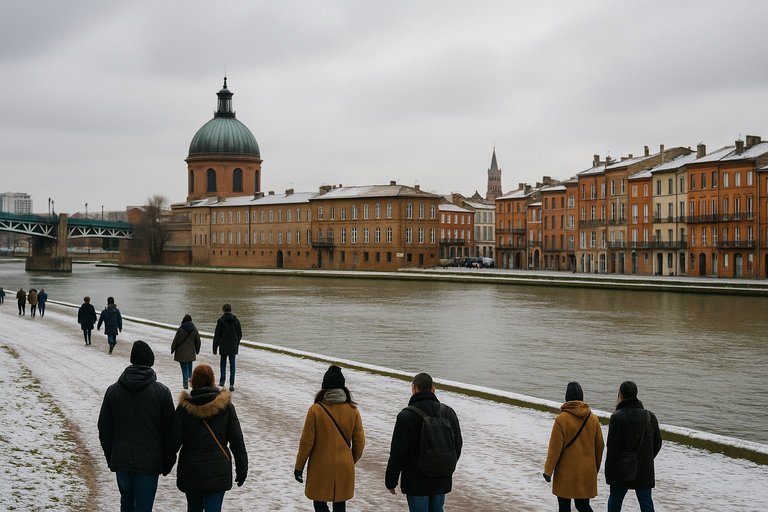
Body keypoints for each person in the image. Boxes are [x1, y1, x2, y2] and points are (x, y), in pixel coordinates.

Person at [98, 340, 176, 512]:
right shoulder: (162, 392)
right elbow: (170, 431)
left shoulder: (113, 391)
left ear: (132, 360)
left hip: (122, 459)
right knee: (143, 507)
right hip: (149, 461)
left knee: (126, 503)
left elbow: (104, 428)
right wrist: (167, 461)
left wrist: (111, 456)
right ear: (151, 361)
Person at [168, 364, 248, 512]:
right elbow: (237, 441)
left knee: (193, 508)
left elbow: (173, 441)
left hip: (192, 470)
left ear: (193, 381)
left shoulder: (184, 409)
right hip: (217, 472)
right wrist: (242, 468)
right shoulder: (226, 407)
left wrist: (166, 464)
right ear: (212, 380)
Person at [386, 372, 463, 512]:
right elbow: (457, 444)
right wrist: (445, 464)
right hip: (441, 477)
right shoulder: (448, 412)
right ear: (433, 389)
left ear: (414, 388)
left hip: (416, 480)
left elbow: (398, 452)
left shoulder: (406, 416)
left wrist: (391, 480)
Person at [295, 365, 365, 512]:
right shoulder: (353, 410)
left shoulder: (316, 410)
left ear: (324, 387)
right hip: (344, 466)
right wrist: (350, 460)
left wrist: (299, 467)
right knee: (340, 504)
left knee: (319, 503)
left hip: (320, 467)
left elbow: (306, 443)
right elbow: (360, 442)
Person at [543, 382, 604, 512]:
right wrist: (595, 468)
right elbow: (600, 446)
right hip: (586, 472)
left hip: (566, 472)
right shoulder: (593, 419)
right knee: (583, 505)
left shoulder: (561, 419)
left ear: (567, 397)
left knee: (564, 507)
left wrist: (548, 470)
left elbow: (554, 449)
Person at [605, 381, 663, 512]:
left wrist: (610, 475)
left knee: (615, 502)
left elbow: (612, 449)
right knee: (646, 504)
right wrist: (646, 458)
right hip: (644, 469)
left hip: (622, 470)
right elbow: (657, 442)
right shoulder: (650, 416)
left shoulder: (617, 418)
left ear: (621, 395)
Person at [212, 304, 242, 392]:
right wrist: (236, 343)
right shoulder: (236, 320)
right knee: (232, 364)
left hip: (223, 345)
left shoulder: (220, 321)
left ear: (223, 310)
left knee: (223, 363)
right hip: (233, 345)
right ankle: (232, 384)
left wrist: (215, 348)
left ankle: (222, 381)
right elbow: (239, 334)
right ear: (230, 310)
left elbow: (217, 335)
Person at [171, 314, 202, 389]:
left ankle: (185, 383)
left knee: (184, 368)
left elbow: (176, 340)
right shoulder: (194, 329)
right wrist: (197, 350)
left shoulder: (181, 329)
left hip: (181, 353)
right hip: (191, 352)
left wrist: (172, 349)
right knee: (190, 367)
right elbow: (198, 341)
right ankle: (190, 380)